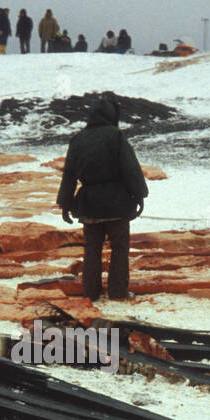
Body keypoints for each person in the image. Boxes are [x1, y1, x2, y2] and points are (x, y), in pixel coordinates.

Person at [56, 95, 149, 302]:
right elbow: (130, 169)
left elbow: (69, 175)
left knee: (92, 250)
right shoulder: (116, 136)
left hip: (90, 204)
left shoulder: (78, 139)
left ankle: (91, 293)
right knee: (119, 248)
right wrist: (140, 195)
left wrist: (65, 204)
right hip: (117, 203)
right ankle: (118, 293)